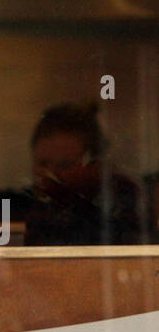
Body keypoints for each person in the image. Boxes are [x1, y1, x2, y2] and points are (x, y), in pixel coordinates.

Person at [24, 101, 142, 245]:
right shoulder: (42, 205)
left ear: (94, 165)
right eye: (42, 164)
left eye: (64, 166)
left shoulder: (123, 200)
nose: (50, 174)